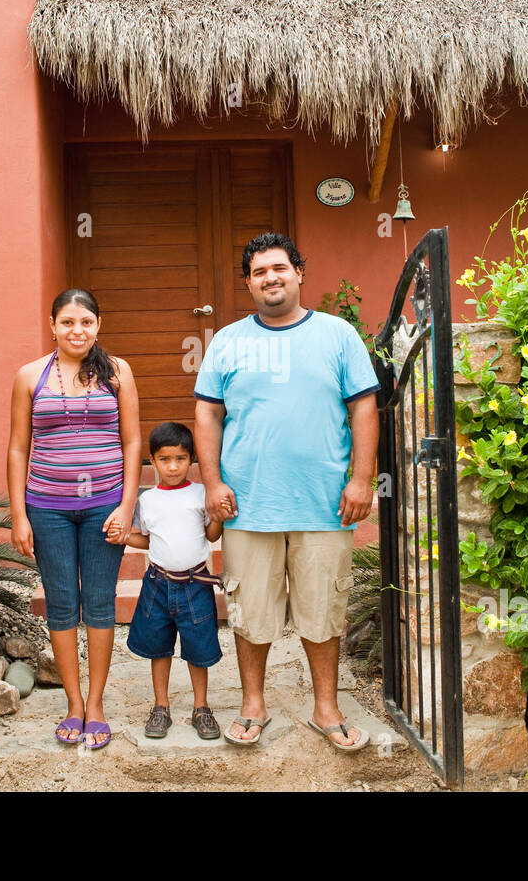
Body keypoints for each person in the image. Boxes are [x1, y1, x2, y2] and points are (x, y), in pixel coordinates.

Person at [195, 232, 380, 751]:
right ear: (248, 283)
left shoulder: (338, 335)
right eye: (258, 272)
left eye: (279, 268)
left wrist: (361, 479)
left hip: (324, 501)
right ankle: (253, 704)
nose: (270, 278)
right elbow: (208, 412)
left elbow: (364, 406)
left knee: (323, 609)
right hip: (247, 503)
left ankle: (327, 707)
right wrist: (212, 481)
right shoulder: (229, 340)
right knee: (250, 610)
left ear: (300, 273)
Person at [8, 289, 140, 749]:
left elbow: (131, 443)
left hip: (104, 505)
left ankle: (97, 704)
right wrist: (19, 515)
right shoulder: (30, 376)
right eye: (67, 322)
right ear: (52, 324)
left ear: (98, 324)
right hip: (48, 508)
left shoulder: (118, 372)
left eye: (86, 321)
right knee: (62, 604)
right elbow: (18, 447)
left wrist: (126, 507)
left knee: (100, 604)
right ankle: (73, 704)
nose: (77, 330)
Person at [125, 422, 225, 739]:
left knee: (198, 648)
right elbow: (146, 538)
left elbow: (210, 535)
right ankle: (161, 707)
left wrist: (219, 519)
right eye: (164, 459)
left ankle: (201, 707)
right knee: (159, 647)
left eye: (180, 459)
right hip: (157, 583)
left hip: (196, 584)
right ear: (152, 460)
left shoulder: (200, 494)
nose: (172, 466)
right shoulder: (147, 500)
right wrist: (123, 537)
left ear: (191, 459)